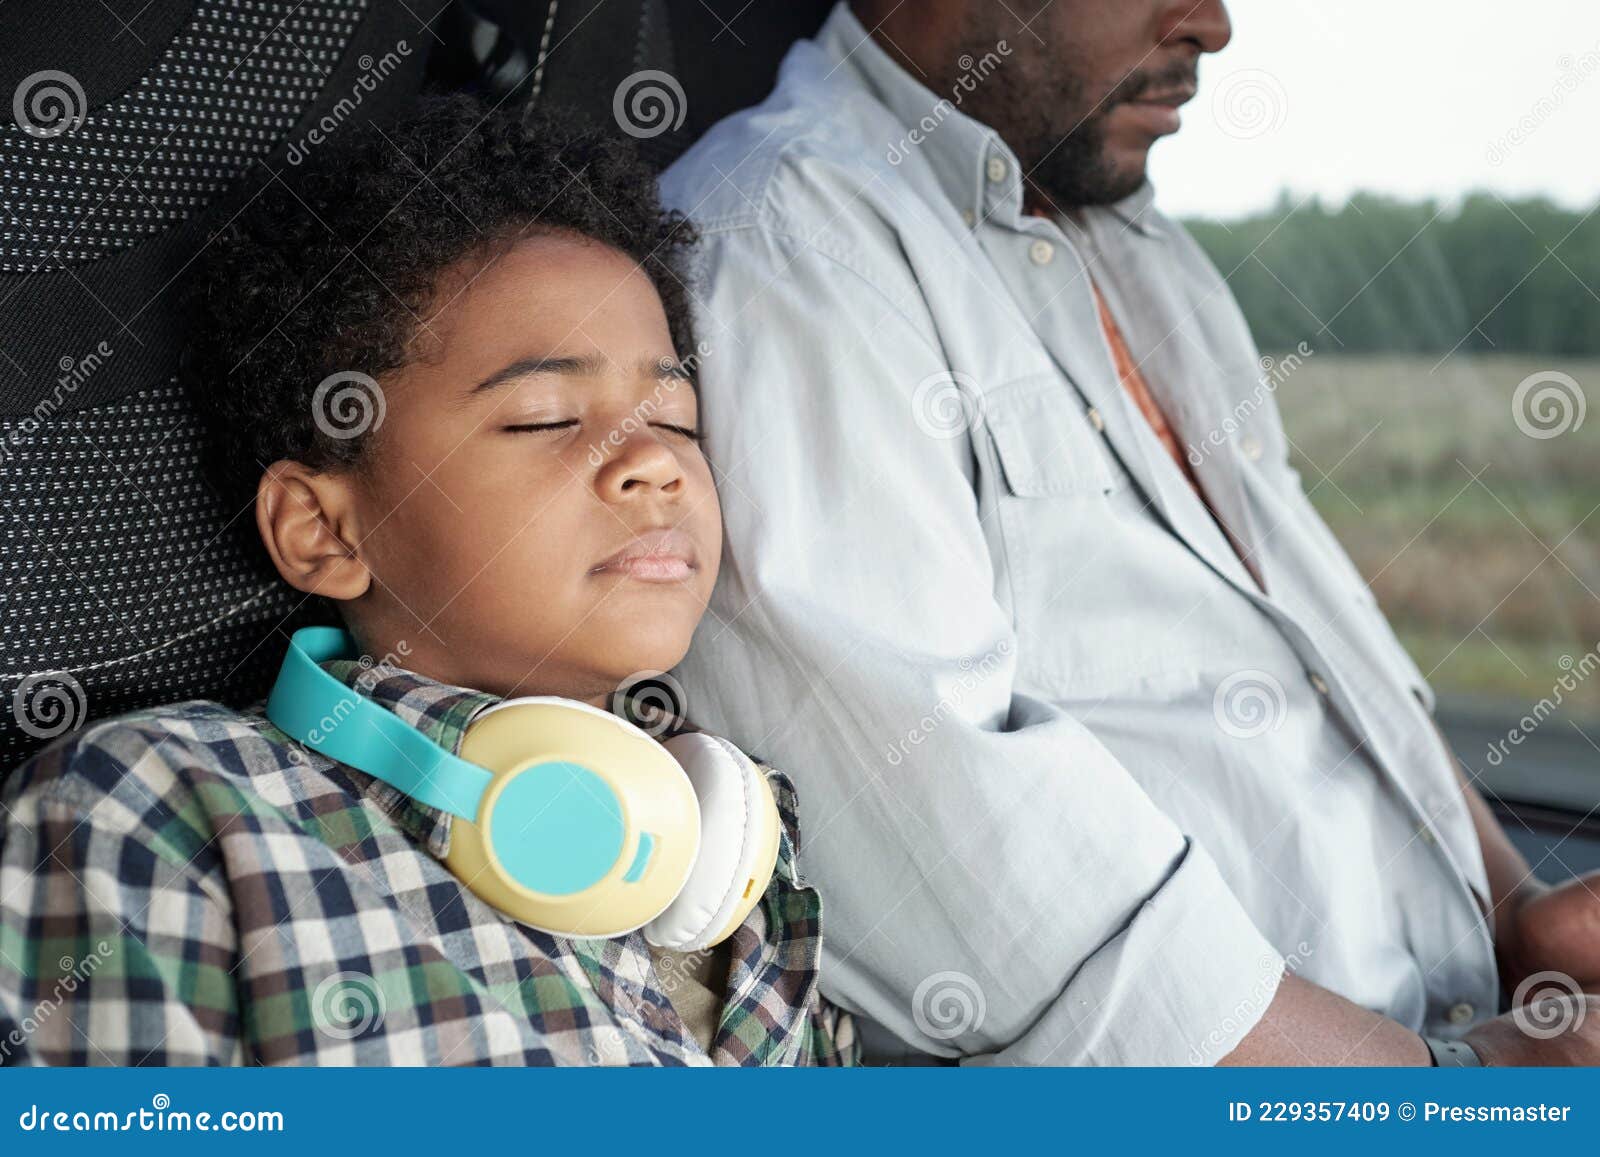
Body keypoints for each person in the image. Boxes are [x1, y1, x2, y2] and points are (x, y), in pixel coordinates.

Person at [660, 0, 1600, 1064]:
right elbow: (937, 850)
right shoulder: (781, 245)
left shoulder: (1146, 252)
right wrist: (1449, 1087)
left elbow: (1317, 634)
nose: (1212, 25)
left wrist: (1523, 914)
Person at [0, 94, 856, 1068]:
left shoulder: (741, 841)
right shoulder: (157, 814)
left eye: (676, 420)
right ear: (325, 529)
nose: (651, 463)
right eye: (543, 416)